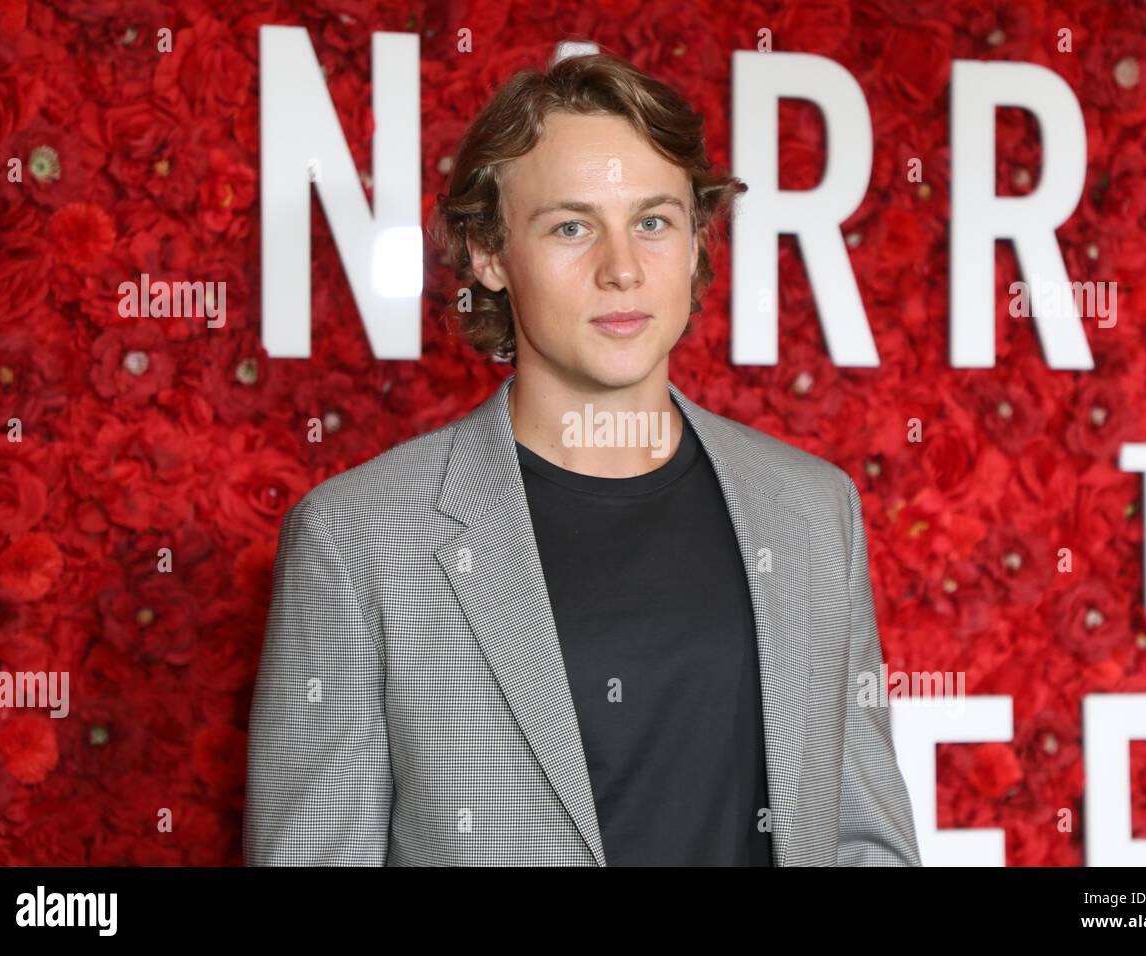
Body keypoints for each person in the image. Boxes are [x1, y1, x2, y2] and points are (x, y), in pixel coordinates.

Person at [244, 50, 921, 866]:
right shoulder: (356, 539)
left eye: (653, 221)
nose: (623, 268)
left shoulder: (814, 510)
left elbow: (862, 838)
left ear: (697, 241)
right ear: (490, 255)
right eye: (571, 226)